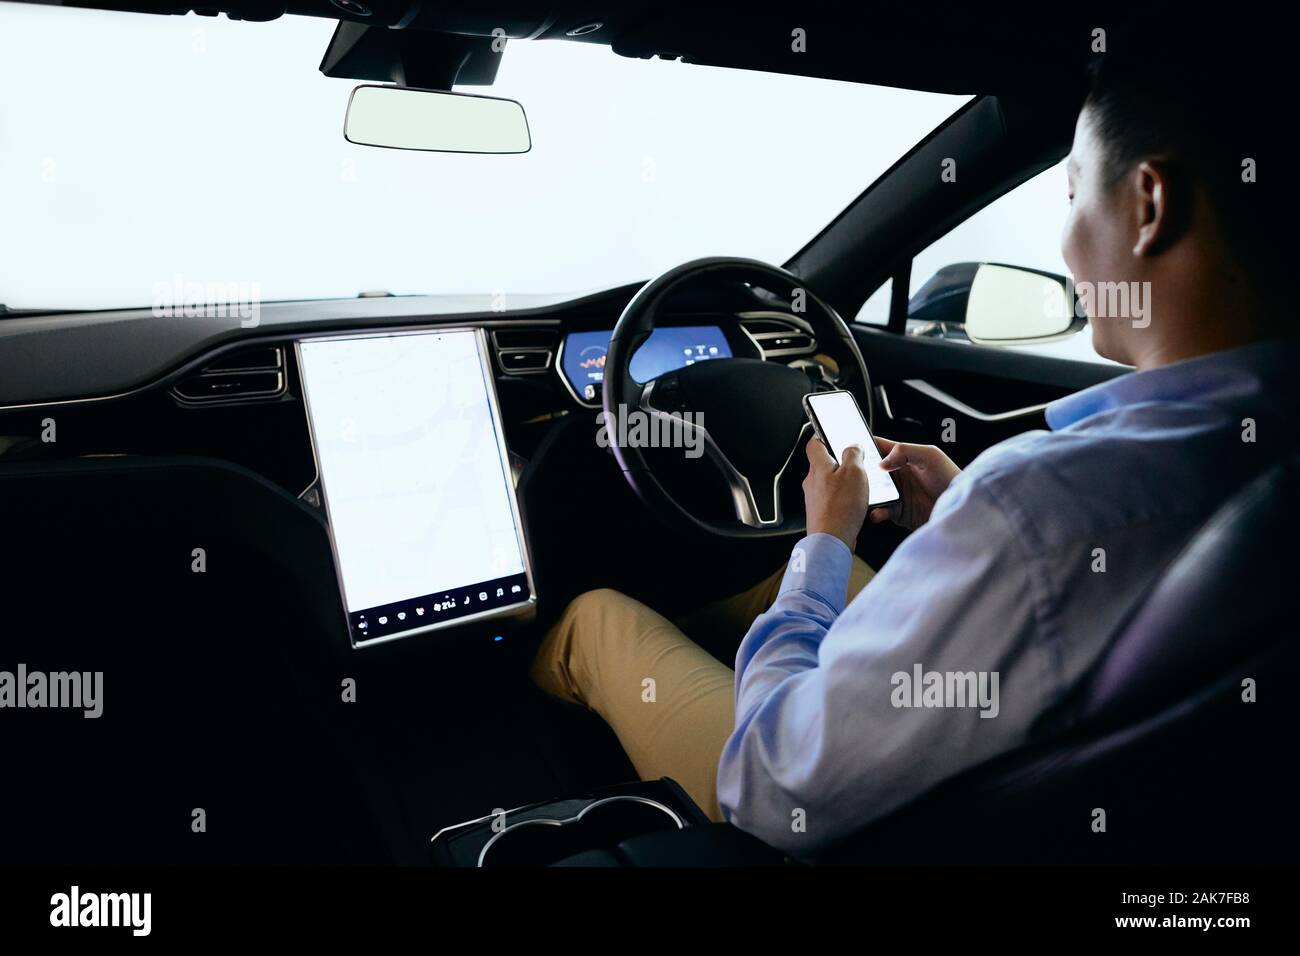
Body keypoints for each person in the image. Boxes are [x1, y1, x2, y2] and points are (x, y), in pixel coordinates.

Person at [532, 36, 1295, 858]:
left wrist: (825, 536)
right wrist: (960, 511)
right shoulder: (1236, 460)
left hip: (806, 816)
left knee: (593, 618)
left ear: (1148, 205)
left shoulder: (1043, 509)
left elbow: (772, 779)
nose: (1068, 243)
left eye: (1073, 194)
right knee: (773, 583)